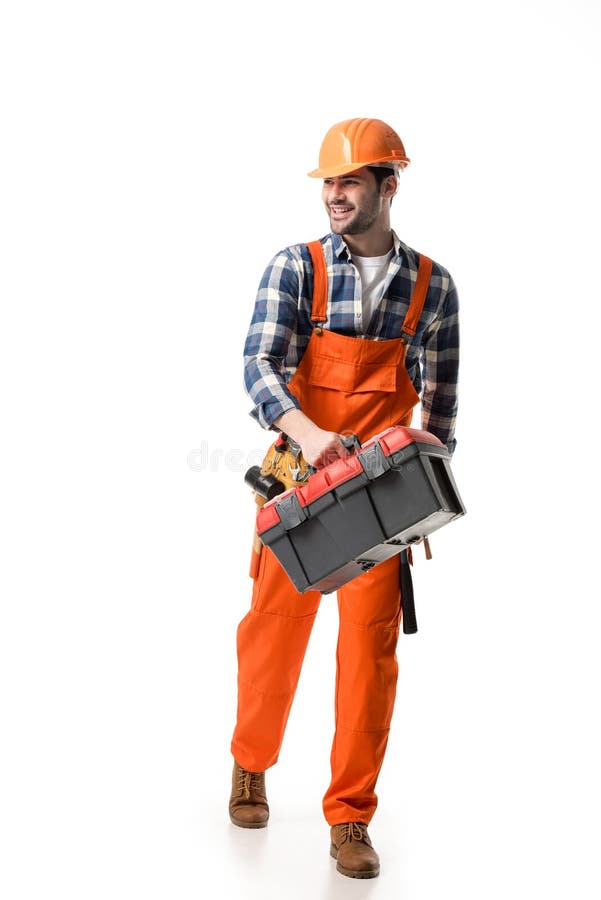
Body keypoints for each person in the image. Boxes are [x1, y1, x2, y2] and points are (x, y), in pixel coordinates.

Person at [229, 117, 460, 879]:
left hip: (379, 500)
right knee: (272, 637)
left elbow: (442, 407)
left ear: (387, 186)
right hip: (299, 482)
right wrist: (310, 431)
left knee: (369, 658)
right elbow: (260, 365)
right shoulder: (297, 270)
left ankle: (351, 815)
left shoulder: (432, 287)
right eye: (330, 181)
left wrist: (426, 494)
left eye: (350, 181)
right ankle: (250, 763)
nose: (335, 194)